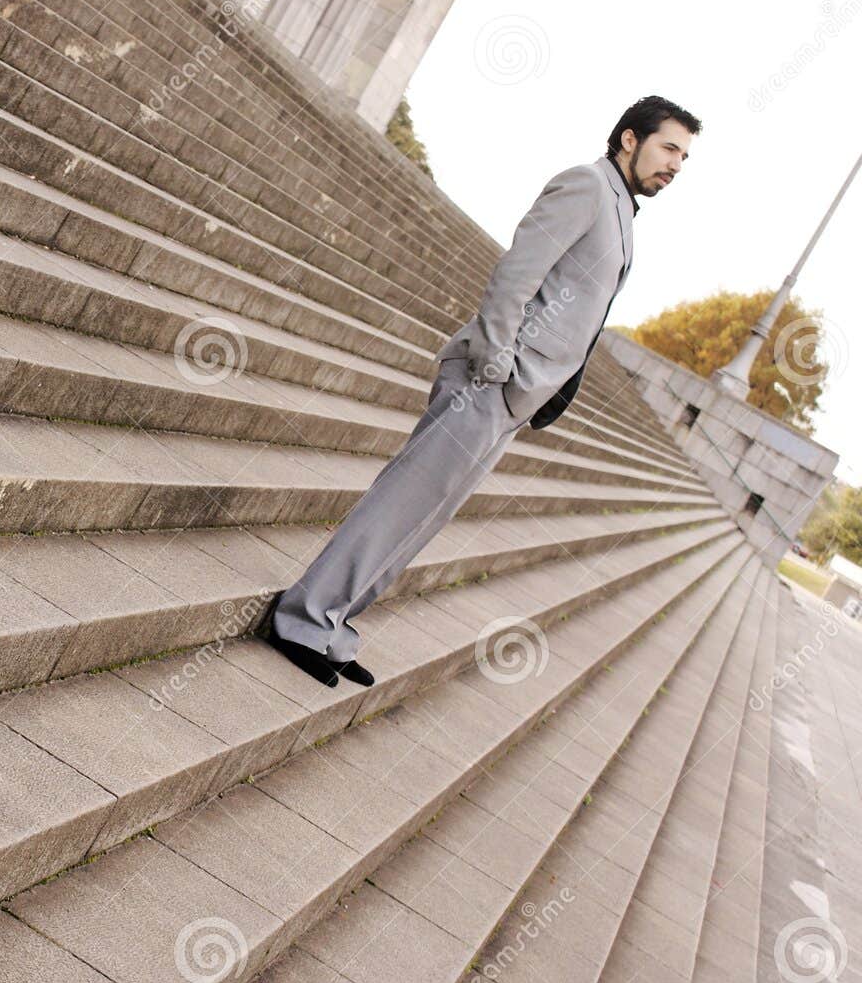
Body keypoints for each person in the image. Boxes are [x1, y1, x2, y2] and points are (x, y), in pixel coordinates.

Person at [266, 95, 702, 689]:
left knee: (422, 520)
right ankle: (301, 619)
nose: (677, 164)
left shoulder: (622, 210)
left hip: (514, 398)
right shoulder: (586, 186)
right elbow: (516, 276)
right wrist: (498, 365)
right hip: (490, 384)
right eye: (670, 147)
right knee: (399, 506)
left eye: (684, 155)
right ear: (630, 139)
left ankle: (333, 625)